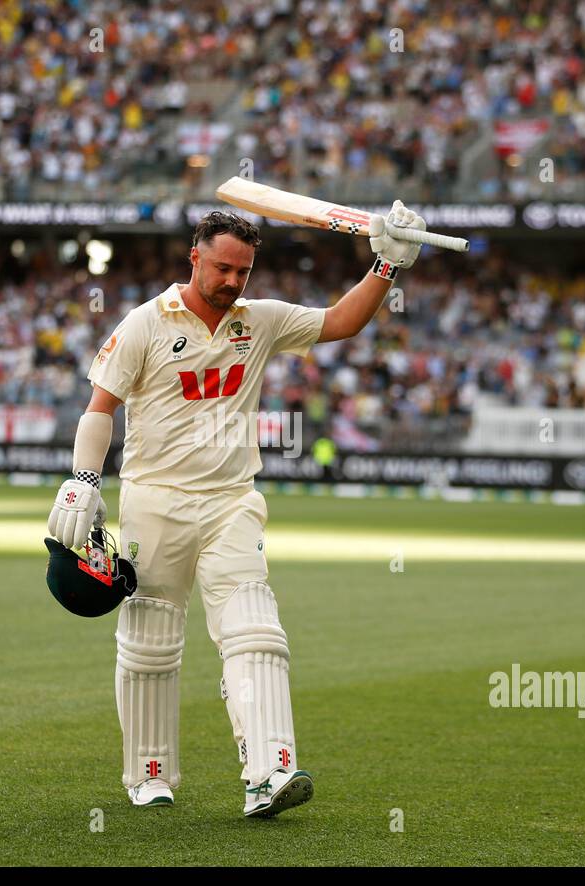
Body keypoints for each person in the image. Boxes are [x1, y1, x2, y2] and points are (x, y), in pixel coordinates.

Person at [46, 205, 427, 817]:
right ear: (195, 257)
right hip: (155, 501)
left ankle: (268, 773)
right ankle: (149, 773)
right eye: (222, 268)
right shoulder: (144, 325)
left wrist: (387, 264)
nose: (232, 282)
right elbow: (100, 408)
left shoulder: (263, 320)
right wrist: (85, 479)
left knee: (255, 631)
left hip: (232, 501)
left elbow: (341, 322)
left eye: (243, 272)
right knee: (150, 643)